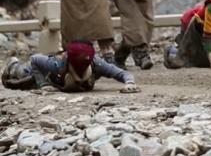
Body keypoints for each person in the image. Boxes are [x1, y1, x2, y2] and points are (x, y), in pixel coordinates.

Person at [1, 41, 140, 93]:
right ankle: (13, 64)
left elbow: (121, 73)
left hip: (57, 81)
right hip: (36, 73)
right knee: (21, 73)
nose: (85, 60)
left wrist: (129, 83)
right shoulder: (56, 64)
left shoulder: (97, 63)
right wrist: (43, 84)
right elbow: (35, 59)